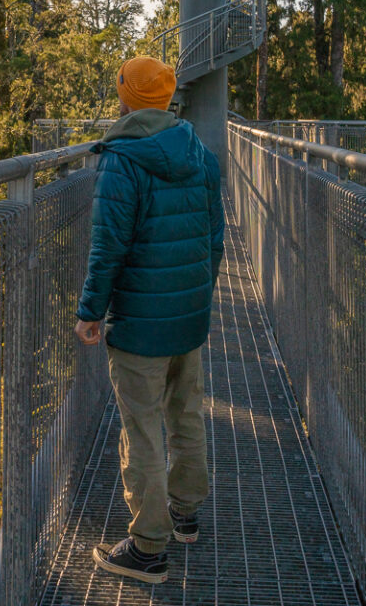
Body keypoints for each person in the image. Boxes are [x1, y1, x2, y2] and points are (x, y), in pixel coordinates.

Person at [74, 56, 224, 584]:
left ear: (126, 98)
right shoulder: (200, 152)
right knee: (185, 416)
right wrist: (198, 296)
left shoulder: (123, 159)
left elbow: (107, 245)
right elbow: (214, 238)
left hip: (139, 321)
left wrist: (91, 311)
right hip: (188, 316)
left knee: (142, 431)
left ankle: (147, 549)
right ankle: (186, 515)